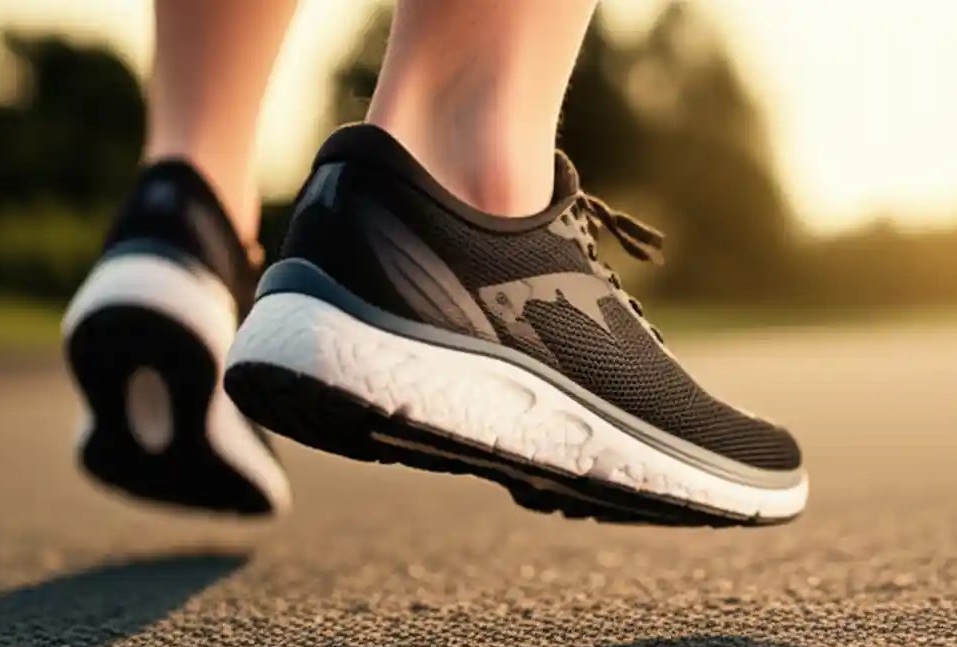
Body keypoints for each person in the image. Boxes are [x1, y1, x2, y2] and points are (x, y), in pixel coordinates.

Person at [62, 0, 807, 527]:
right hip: (445, 238)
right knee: (465, 139)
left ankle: (188, 201)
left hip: (205, 210)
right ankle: (468, 171)